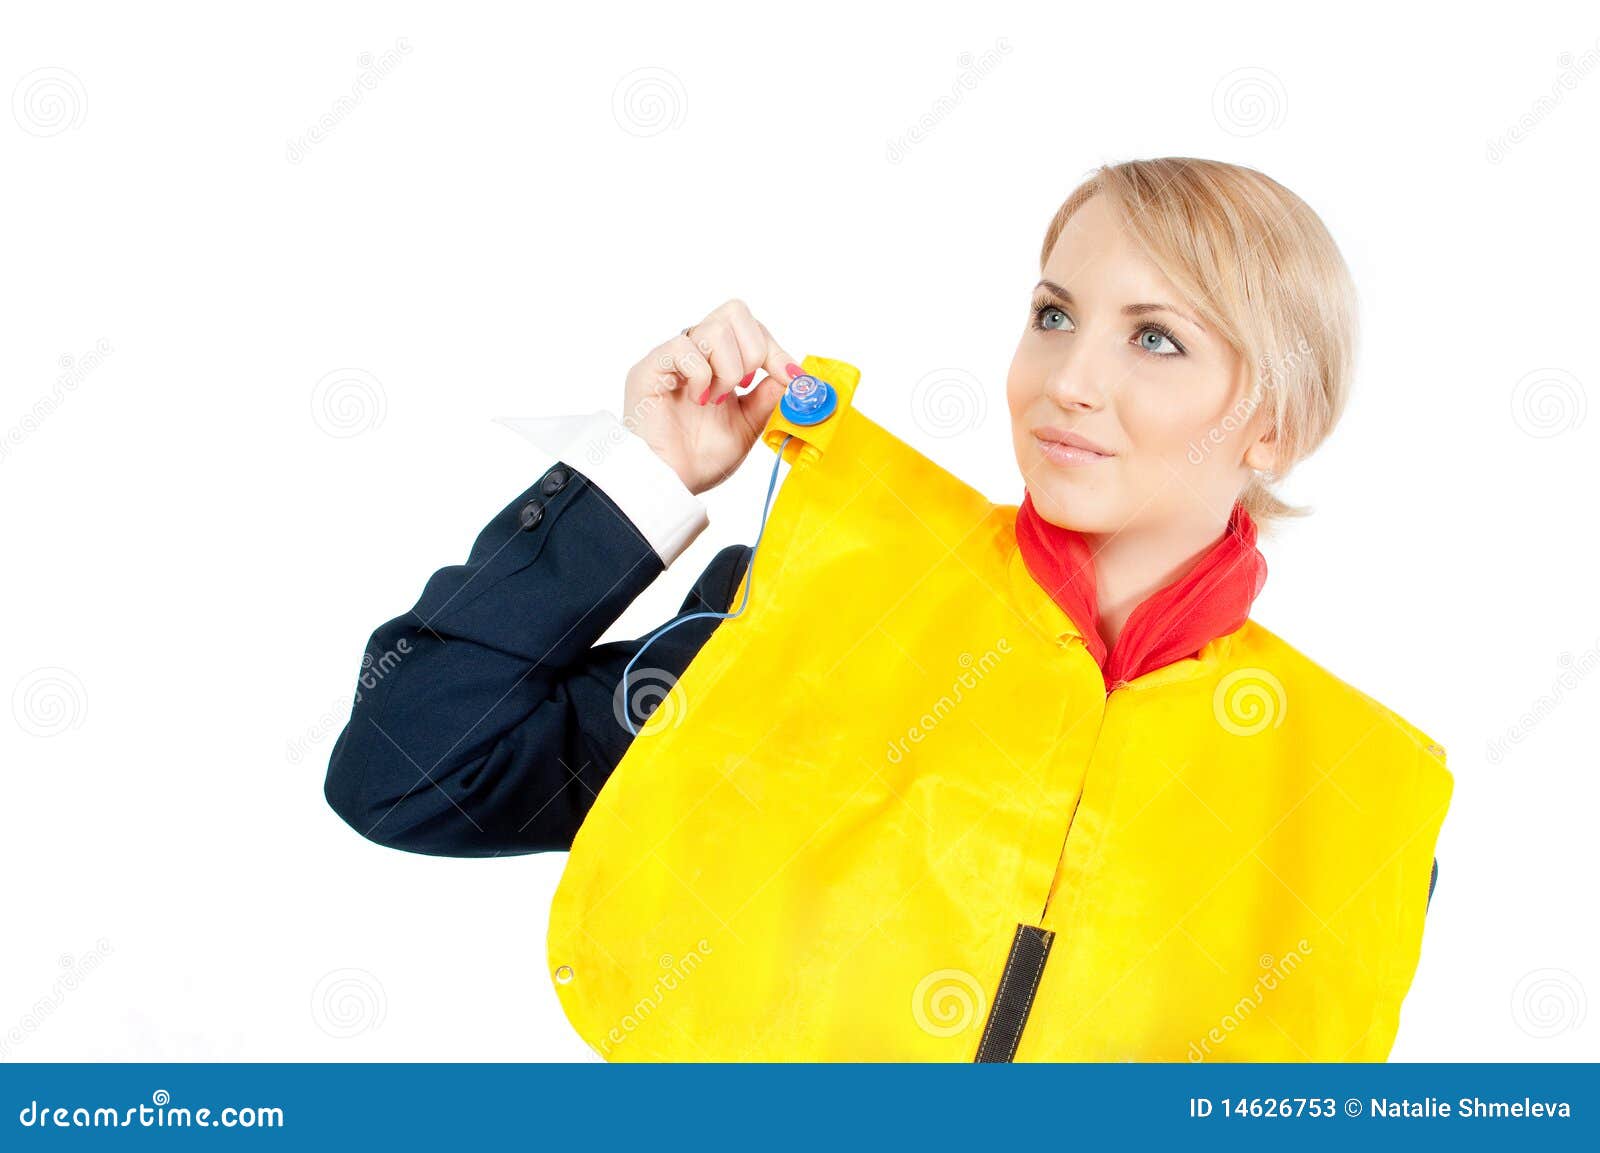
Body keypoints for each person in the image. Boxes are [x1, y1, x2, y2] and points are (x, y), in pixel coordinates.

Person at [325, 157, 1448, 1060]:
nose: (1068, 380)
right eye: (1054, 315)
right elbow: (406, 769)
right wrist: (641, 483)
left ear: (1276, 426)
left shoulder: (1348, 800)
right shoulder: (814, 605)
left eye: (1155, 338)